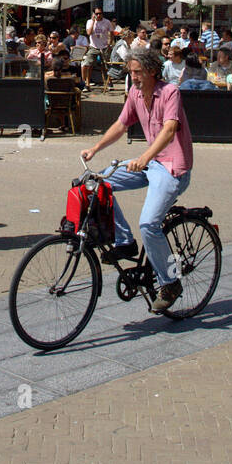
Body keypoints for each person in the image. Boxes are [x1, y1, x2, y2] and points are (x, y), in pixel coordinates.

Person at [80, 49, 194, 313]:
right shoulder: (134, 94)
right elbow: (121, 125)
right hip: (150, 162)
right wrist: (96, 148)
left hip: (171, 167)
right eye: (131, 72)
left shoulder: (170, 93)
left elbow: (169, 130)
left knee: (149, 224)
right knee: (98, 183)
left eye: (138, 72)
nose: (134, 77)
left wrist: (144, 157)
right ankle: (124, 242)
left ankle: (170, 282)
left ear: (153, 71)